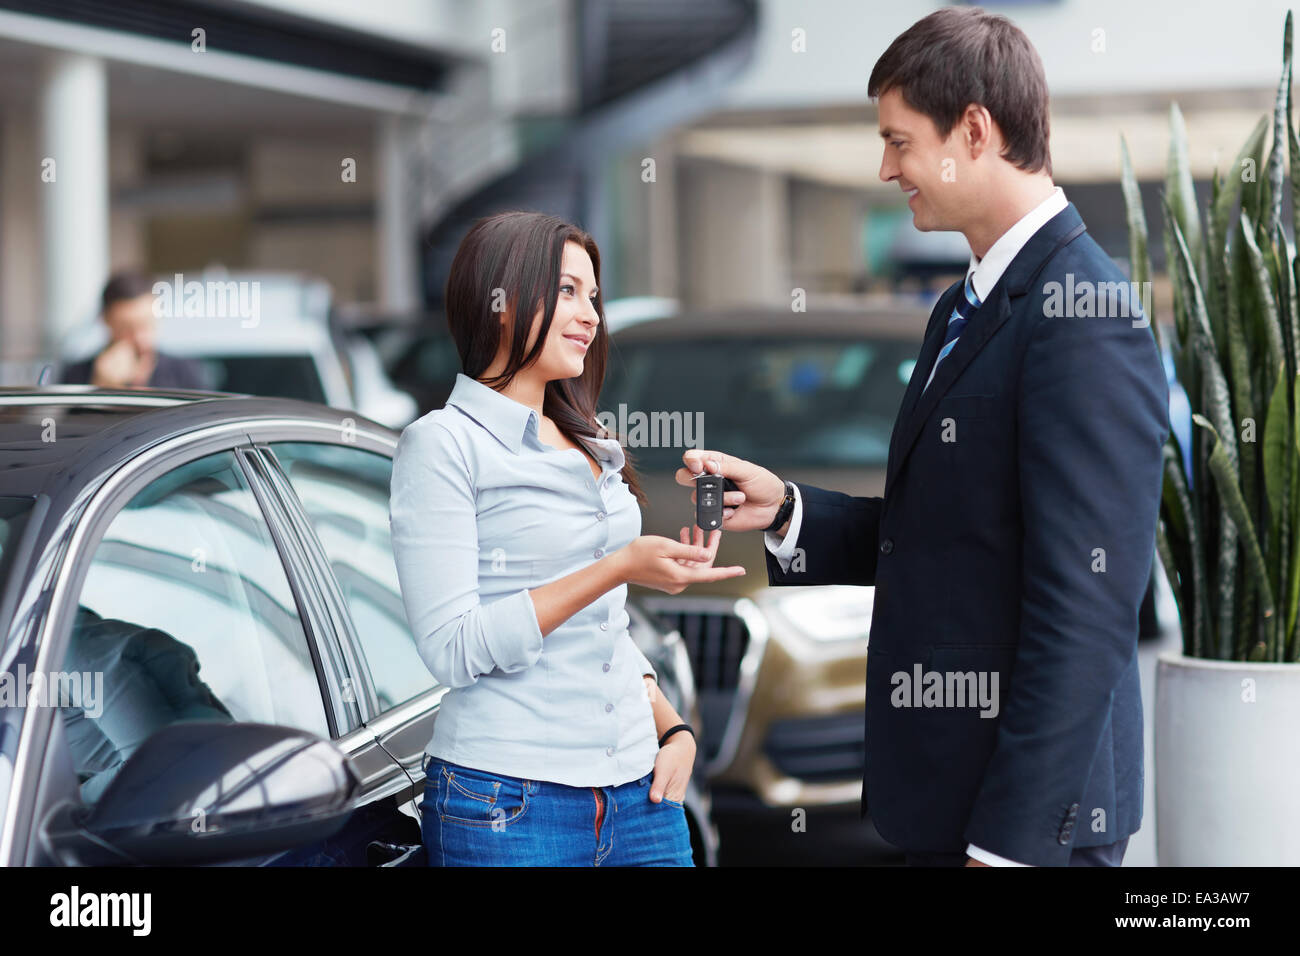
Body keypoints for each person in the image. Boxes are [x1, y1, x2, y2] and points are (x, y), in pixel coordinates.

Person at [674, 7, 1168, 867]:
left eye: (899, 141)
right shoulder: (962, 304)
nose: (885, 166)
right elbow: (953, 534)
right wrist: (793, 510)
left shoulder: (1083, 317)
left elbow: (1086, 610)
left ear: (973, 131)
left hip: (1026, 827)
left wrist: (1008, 847)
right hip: (950, 798)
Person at [389, 210, 746, 866]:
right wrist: (617, 567)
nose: (592, 315)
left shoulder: (590, 439)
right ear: (501, 299)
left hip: (640, 794)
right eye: (568, 292)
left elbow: (604, 629)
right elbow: (453, 649)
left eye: (595, 297)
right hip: (506, 801)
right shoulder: (443, 445)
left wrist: (675, 728)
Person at [56, 270, 209, 389]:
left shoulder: (183, 373)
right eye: (126, 328)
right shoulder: (77, 375)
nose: (139, 337)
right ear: (106, 320)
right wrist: (101, 386)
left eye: (146, 324)